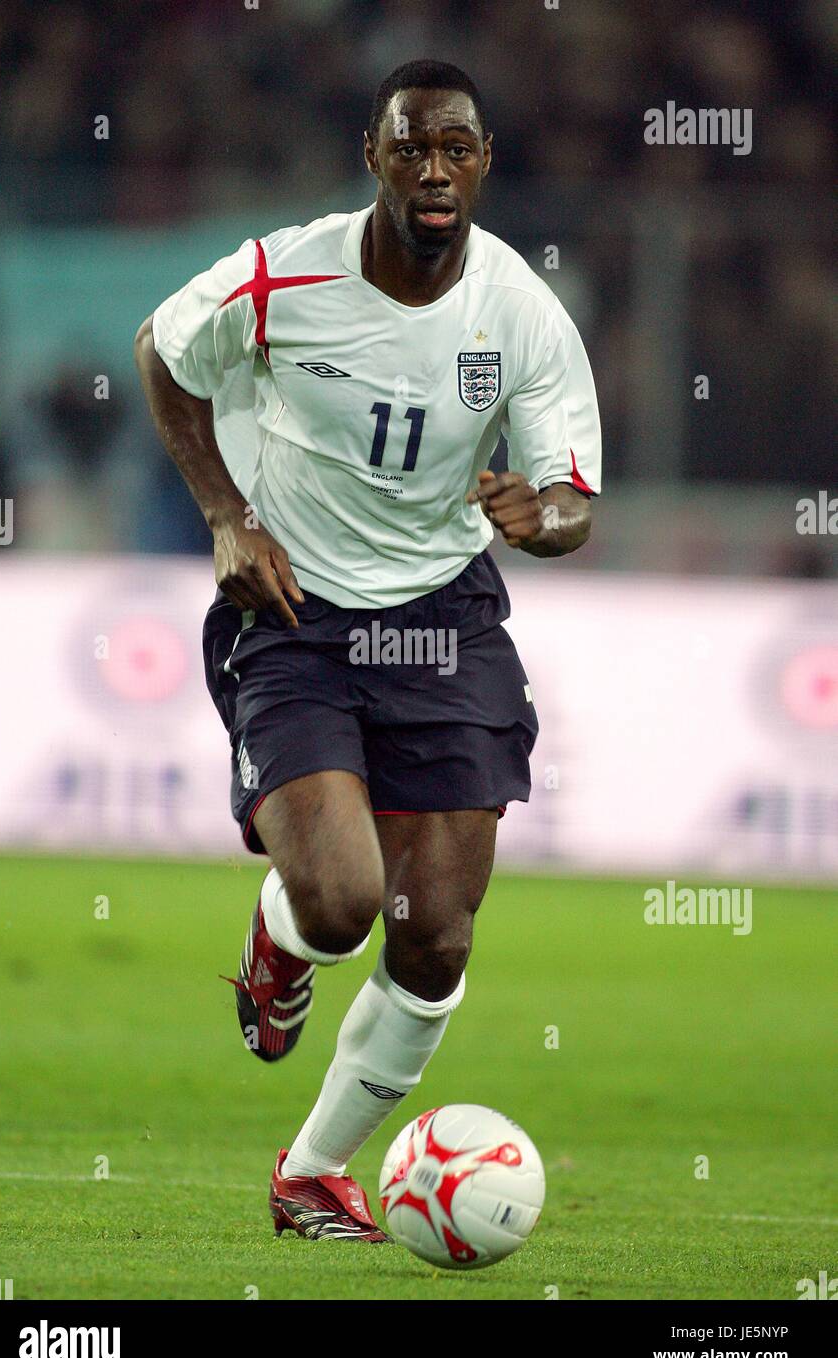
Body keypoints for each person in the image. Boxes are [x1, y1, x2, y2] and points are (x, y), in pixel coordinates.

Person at [135, 59, 601, 1244]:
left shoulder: (521, 313)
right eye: (411, 148)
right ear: (373, 157)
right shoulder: (286, 273)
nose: (433, 171)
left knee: (434, 933)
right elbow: (162, 352)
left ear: (482, 162)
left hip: (444, 618)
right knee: (342, 902)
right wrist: (225, 513)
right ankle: (284, 939)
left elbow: (571, 500)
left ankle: (309, 1172)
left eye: (455, 148)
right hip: (294, 610)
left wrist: (540, 516)